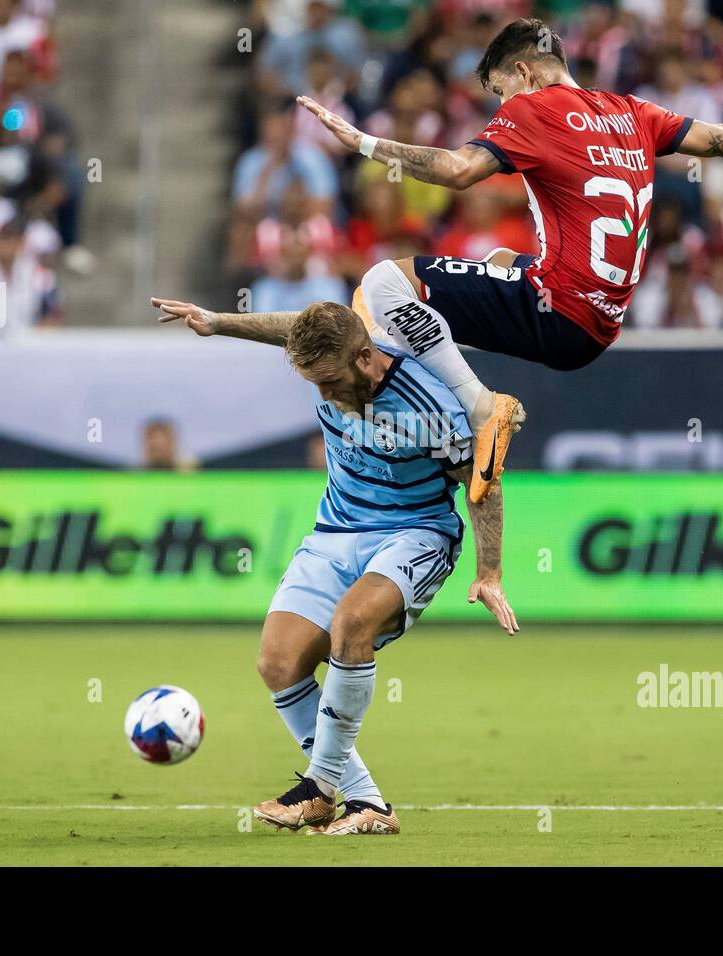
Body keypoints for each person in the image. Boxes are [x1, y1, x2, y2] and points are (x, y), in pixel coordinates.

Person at [298, 17, 723, 504]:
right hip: (595, 326)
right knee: (497, 262)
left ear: (524, 72)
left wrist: (366, 143)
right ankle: (436, 425)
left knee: (383, 284)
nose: (501, 106)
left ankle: (474, 415)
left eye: (501, 90)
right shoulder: (631, 111)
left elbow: (457, 172)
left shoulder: (532, 111)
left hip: (553, 309)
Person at [150, 293, 517, 836]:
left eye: (330, 381)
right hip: (336, 530)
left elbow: (481, 486)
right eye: (314, 384)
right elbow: (292, 328)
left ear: (366, 357)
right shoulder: (339, 349)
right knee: (278, 663)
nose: (324, 395)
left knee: (352, 624)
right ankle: (368, 803)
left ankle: (319, 788)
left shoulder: (430, 405)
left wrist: (489, 573)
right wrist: (219, 322)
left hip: (415, 534)